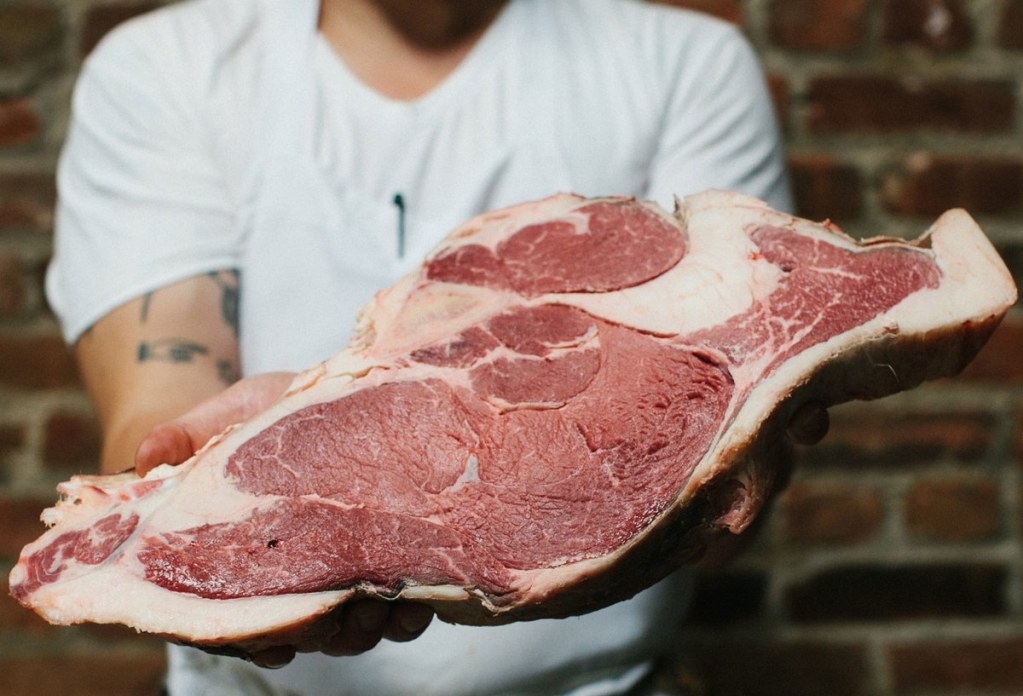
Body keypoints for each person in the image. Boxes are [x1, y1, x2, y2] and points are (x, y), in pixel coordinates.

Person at [47, 0, 819, 693]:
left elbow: (730, 437)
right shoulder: (171, 66)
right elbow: (158, 419)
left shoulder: (680, 63)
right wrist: (250, 480)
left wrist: (724, 465)